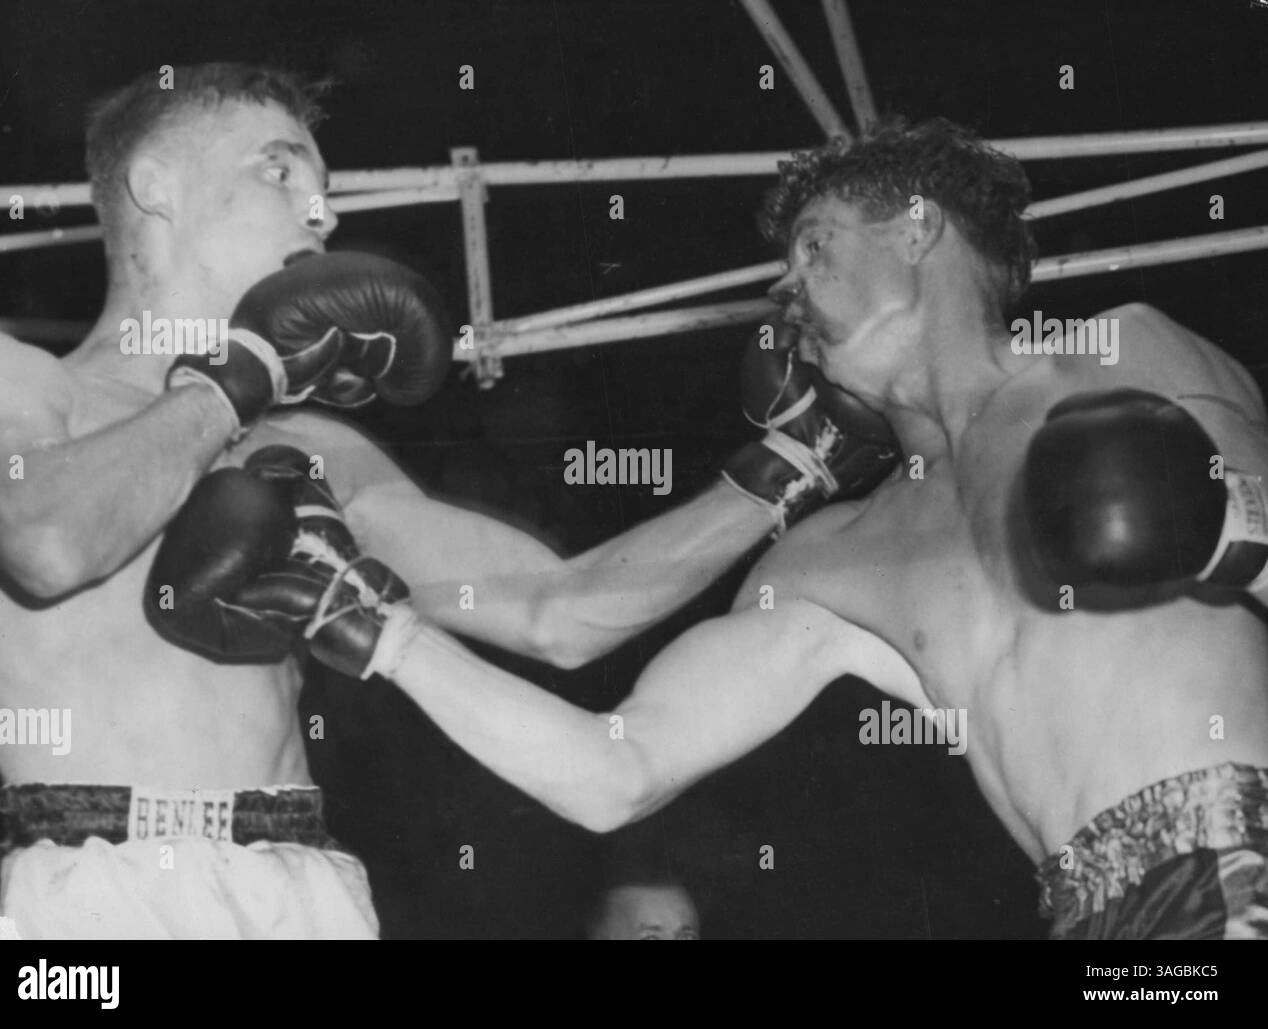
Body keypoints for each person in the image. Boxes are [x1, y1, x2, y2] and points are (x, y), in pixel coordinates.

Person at [196, 118, 1268, 939]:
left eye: (814, 242)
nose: (784, 283)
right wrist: (382, 634)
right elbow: (616, 770)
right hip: (1098, 921)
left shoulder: (1118, 356)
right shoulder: (835, 558)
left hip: (1244, 852)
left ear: (917, 228)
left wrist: (1225, 530)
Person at [0, 62, 898, 939]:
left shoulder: (307, 449)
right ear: (153, 184)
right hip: (88, 890)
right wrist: (232, 382)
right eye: (278, 171)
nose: (321, 212)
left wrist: (793, 461)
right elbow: (44, 539)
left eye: (321, 186)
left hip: (299, 888)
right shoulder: (7, 381)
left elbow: (559, 611)